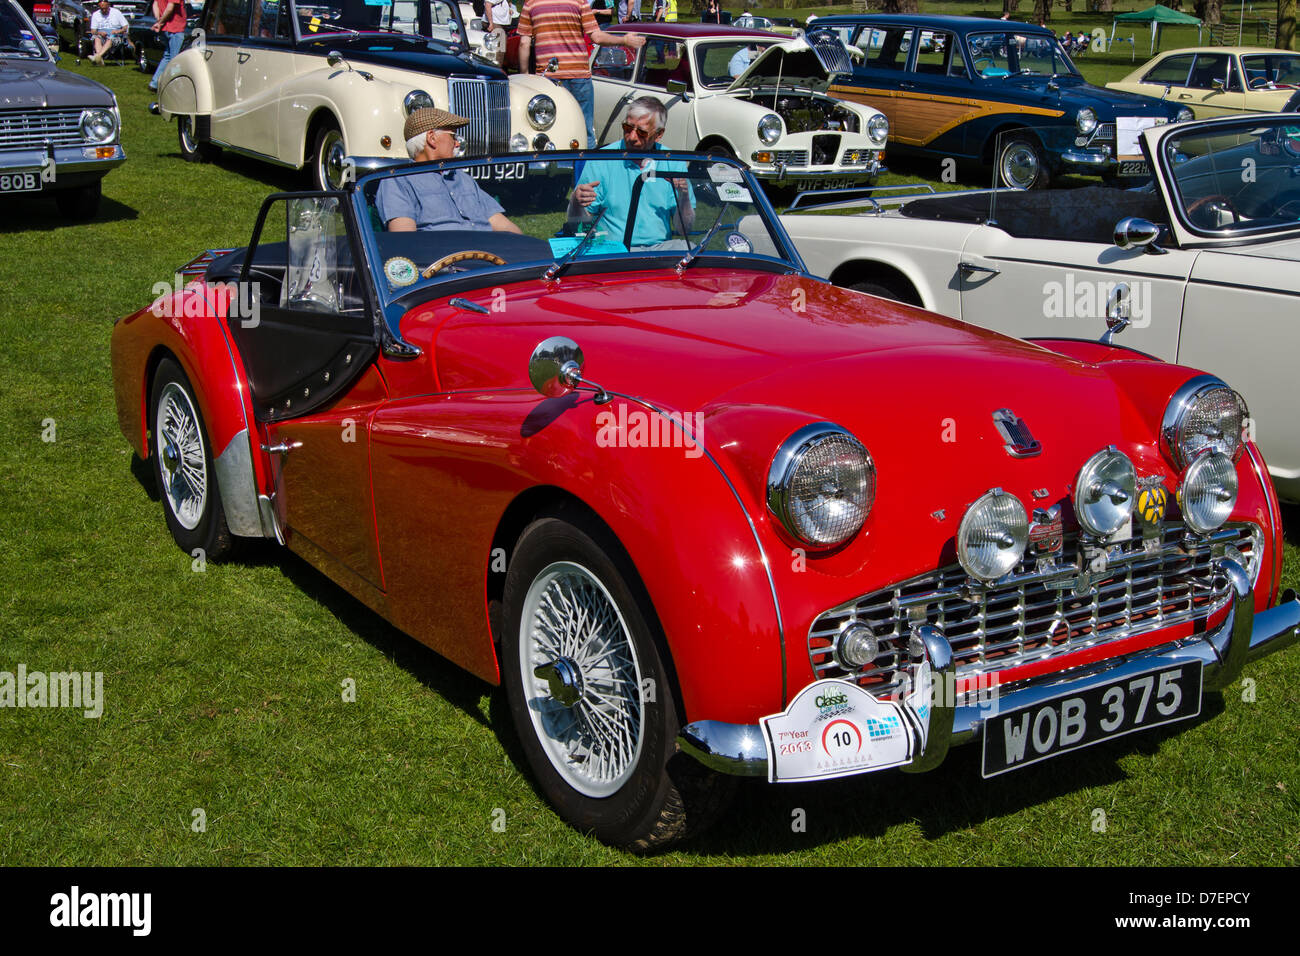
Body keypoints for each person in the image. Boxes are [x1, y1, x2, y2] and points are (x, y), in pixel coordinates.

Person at [568, 96, 694, 249]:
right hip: (613, 249)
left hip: (658, 248)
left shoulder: (672, 162)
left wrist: (684, 196)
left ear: (659, 134)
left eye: (641, 133)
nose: (632, 137)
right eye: (627, 129)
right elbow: (578, 225)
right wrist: (576, 201)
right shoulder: (602, 158)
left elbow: (684, 229)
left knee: (691, 249)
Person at [516, 0, 644, 148]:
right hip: (579, 74)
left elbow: (524, 43)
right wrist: (624, 40)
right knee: (585, 130)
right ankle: (586, 168)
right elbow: (597, 37)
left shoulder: (531, 3)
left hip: (549, 78)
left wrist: (525, 76)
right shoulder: (578, 2)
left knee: (550, 130)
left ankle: (557, 168)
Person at [375, 108, 522, 233]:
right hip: (447, 262)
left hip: (491, 258)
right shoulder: (398, 179)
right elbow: (405, 241)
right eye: (453, 136)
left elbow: (506, 227)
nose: (457, 143)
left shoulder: (463, 179)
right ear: (432, 138)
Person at [148, 0, 187, 92]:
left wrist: (158, 20)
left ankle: (154, 83)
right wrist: (160, 22)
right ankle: (175, 85)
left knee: (167, 56)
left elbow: (155, 4)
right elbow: (170, 8)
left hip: (165, 29)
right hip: (175, 29)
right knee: (175, 59)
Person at [88, 0, 129, 65]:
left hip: (116, 37)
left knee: (111, 39)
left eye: (105, 9)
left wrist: (118, 31)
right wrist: (100, 33)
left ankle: (97, 56)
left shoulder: (116, 12)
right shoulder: (95, 14)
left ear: (108, 6)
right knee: (96, 38)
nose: (104, 10)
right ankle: (99, 58)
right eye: (102, 9)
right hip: (102, 36)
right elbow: (93, 30)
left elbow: (126, 26)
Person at [485, 0, 514, 67]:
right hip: (494, 22)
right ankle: (498, 67)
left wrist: (508, 9)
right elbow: (487, 4)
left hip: (501, 23)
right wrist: (491, 23)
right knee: (502, 39)